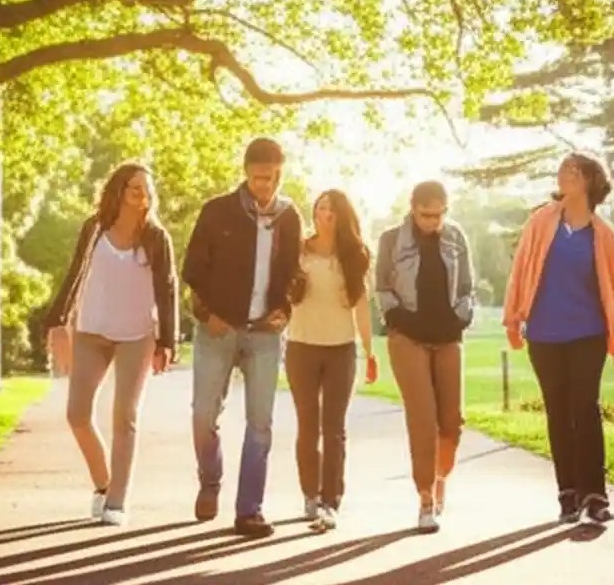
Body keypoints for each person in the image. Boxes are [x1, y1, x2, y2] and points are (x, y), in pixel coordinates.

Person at [501, 152, 614, 526]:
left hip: (588, 333)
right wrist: (513, 319)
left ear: (592, 180)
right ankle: (568, 494)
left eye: (574, 170)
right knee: (558, 412)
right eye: (563, 169)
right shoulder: (541, 223)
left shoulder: (603, 235)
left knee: (585, 409)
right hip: (544, 334)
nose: (566, 174)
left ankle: (595, 495)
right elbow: (520, 271)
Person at [43, 162, 179, 526]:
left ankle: (117, 501)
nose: (142, 195)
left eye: (146, 189)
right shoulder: (94, 230)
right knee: (77, 414)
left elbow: (167, 291)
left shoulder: (156, 237)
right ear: (118, 191)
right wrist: (57, 322)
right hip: (91, 331)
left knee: (125, 416)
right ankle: (104, 483)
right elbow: (74, 274)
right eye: (134, 187)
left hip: (137, 335)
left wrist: (167, 341)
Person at [183, 137, 303, 538]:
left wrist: (284, 309)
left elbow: (294, 275)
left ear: (279, 174)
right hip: (218, 329)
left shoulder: (289, 217)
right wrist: (207, 314)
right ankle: (210, 479)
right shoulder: (217, 212)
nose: (263, 187)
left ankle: (249, 510)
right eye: (256, 178)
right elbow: (193, 271)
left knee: (261, 423)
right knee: (203, 416)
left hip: (264, 335)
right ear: (245, 172)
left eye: (269, 179)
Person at [375, 180, 474, 534]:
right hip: (408, 337)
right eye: (426, 214)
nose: (433, 221)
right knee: (423, 418)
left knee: (452, 421)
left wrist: (462, 315)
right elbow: (382, 288)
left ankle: (439, 477)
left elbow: (467, 289)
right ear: (412, 209)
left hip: (448, 336)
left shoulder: (456, 237)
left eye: (439, 214)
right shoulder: (391, 239)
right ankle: (425, 498)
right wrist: (398, 318)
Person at [285, 189, 378, 533]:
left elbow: (362, 307)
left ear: (341, 218)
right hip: (301, 347)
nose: (323, 215)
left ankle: (331, 501)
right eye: (320, 208)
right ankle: (310, 495)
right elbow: (282, 295)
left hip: (340, 349)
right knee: (307, 425)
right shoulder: (299, 252)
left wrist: (369, 351)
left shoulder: (354, 257)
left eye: (330, 211)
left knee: (334, 428)